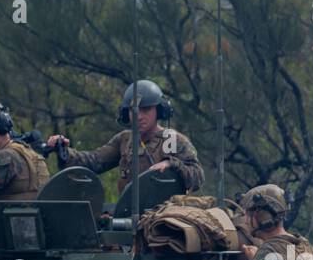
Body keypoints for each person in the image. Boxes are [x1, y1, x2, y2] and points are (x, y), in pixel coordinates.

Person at [47, 80, 204, 193]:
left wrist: (172, 164)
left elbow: (198, 176)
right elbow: (94, 161)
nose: (139, 116)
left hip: (166, 218)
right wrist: (64, 152)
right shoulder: (125, 140)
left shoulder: (172, 139)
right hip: (129, 215)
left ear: (160, 111)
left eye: (146, 110)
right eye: (134, 111)